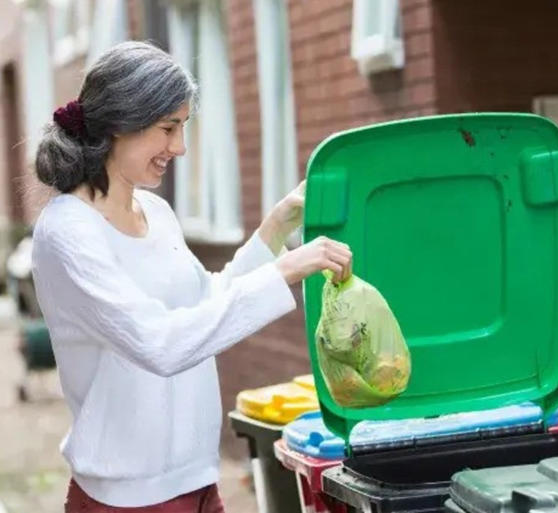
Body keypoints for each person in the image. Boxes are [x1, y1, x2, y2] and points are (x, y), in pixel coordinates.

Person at [31, 41, 352, 512]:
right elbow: (160, 343)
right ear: (121, 122)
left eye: (183, 127)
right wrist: (283, 272)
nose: (179, 147)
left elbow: (205, 305)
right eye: (168, 128)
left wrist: (275, 227)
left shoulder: (155, 212)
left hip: (198, 483)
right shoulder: (68, 232)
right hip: (128, 501)